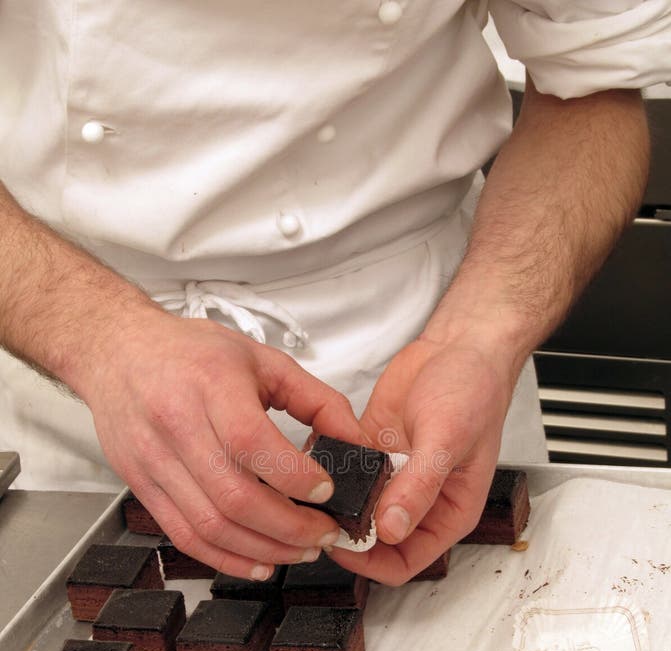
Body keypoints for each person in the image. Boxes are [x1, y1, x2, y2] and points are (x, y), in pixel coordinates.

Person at [0, 3, 669, 585]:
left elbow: (591, 92)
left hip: (425, 339)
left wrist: (479, 338)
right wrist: (98, 337)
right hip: (68, 360)